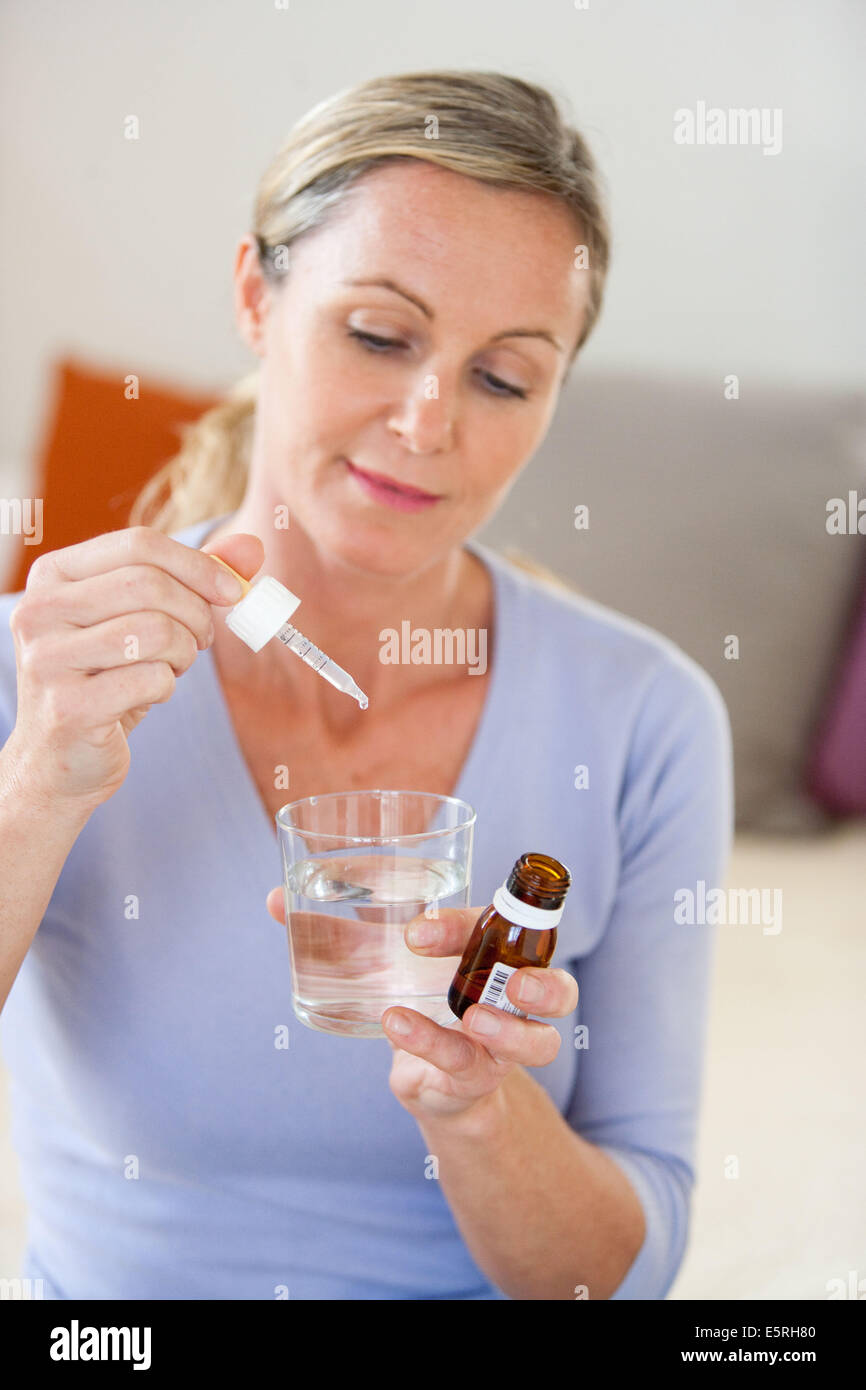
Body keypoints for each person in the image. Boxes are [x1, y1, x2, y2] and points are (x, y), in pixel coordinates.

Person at [0, 70, 733, 1300]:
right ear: (254, 294)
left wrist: (477, 1105)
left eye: (501, 376)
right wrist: (39, 787)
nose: (425, 417)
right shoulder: (44, 667)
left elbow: (616, 1275)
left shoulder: (645, 720)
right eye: (380, 335)